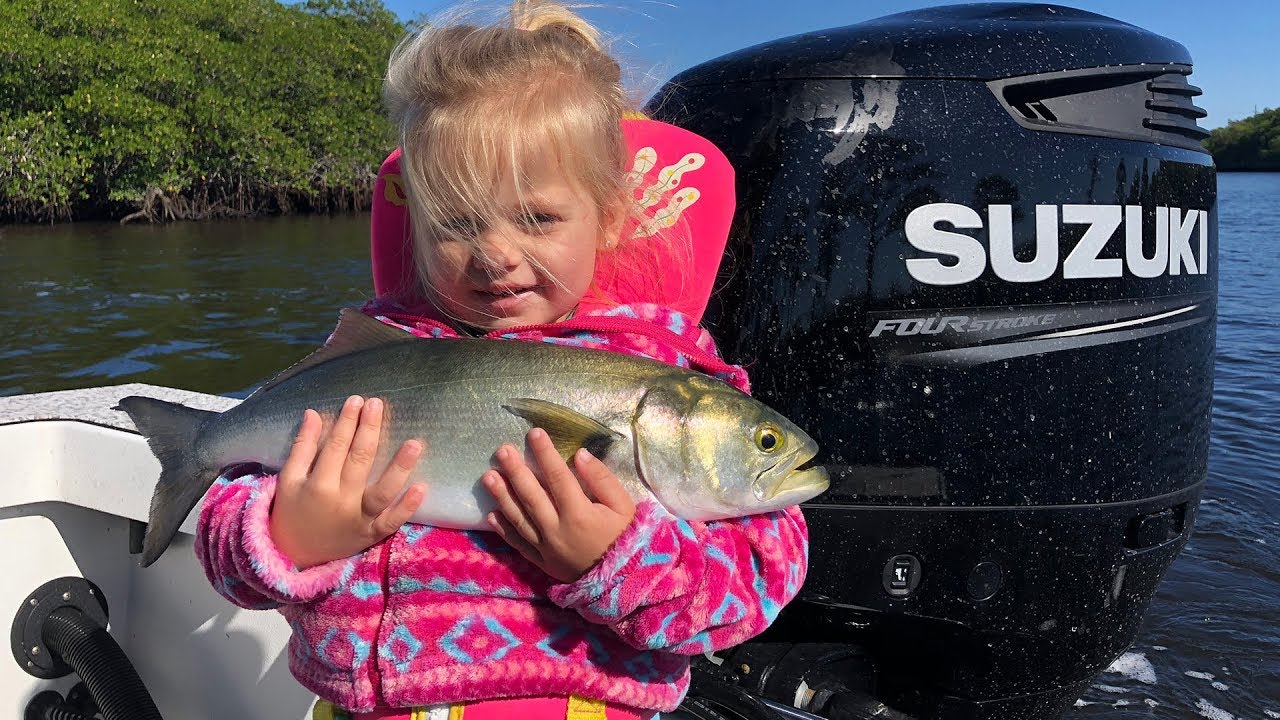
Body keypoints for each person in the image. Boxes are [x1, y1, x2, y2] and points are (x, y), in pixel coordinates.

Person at [195, 3, 810, 719]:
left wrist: (614, 559)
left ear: (609, 215)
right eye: (455, 223)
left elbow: (755, 588)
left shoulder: (666, 373)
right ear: (417, 221)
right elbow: (225, 546)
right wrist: (287, 537)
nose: (495, 256)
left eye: (538, 218)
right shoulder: (372, 357)